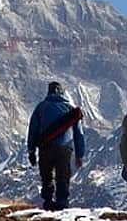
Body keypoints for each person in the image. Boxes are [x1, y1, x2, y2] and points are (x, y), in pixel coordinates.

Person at [26, 81, 85, 211]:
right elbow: (79, 134)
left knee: (46, 176)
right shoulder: (71, 109)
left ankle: (48, 202)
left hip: (45, 148)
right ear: (62, 92)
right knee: (63, 177)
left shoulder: (41, 108)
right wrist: (80, 155)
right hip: (65, 148)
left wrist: (31, 150)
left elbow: (33, 130)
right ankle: (62, 204)